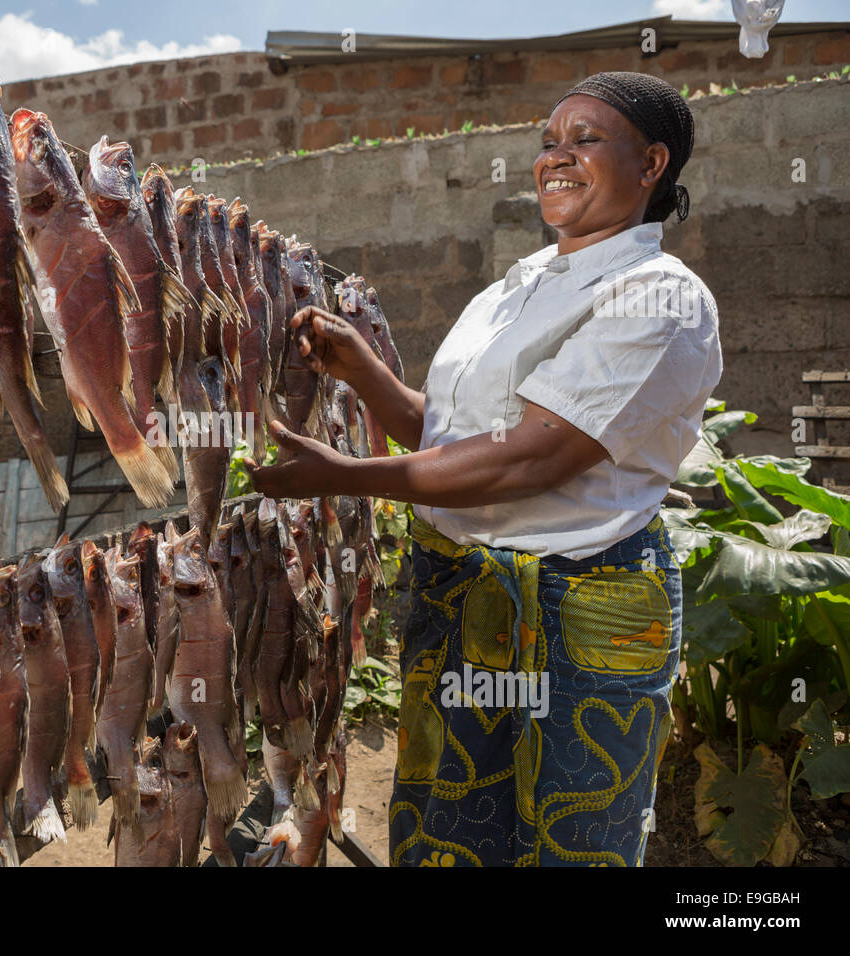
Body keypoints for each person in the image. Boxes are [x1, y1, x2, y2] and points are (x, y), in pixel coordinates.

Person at [246, 72, 721, 867]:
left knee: (573, 834)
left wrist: (346, 475)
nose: (555, 158)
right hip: (461, 600)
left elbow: (530, 459)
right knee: (447, 829)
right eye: (547, 142)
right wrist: (364, 372)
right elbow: (446, 432)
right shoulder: (517, 286)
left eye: (584, 139)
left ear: (652, 165)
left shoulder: (660, 298)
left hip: (581, 608)